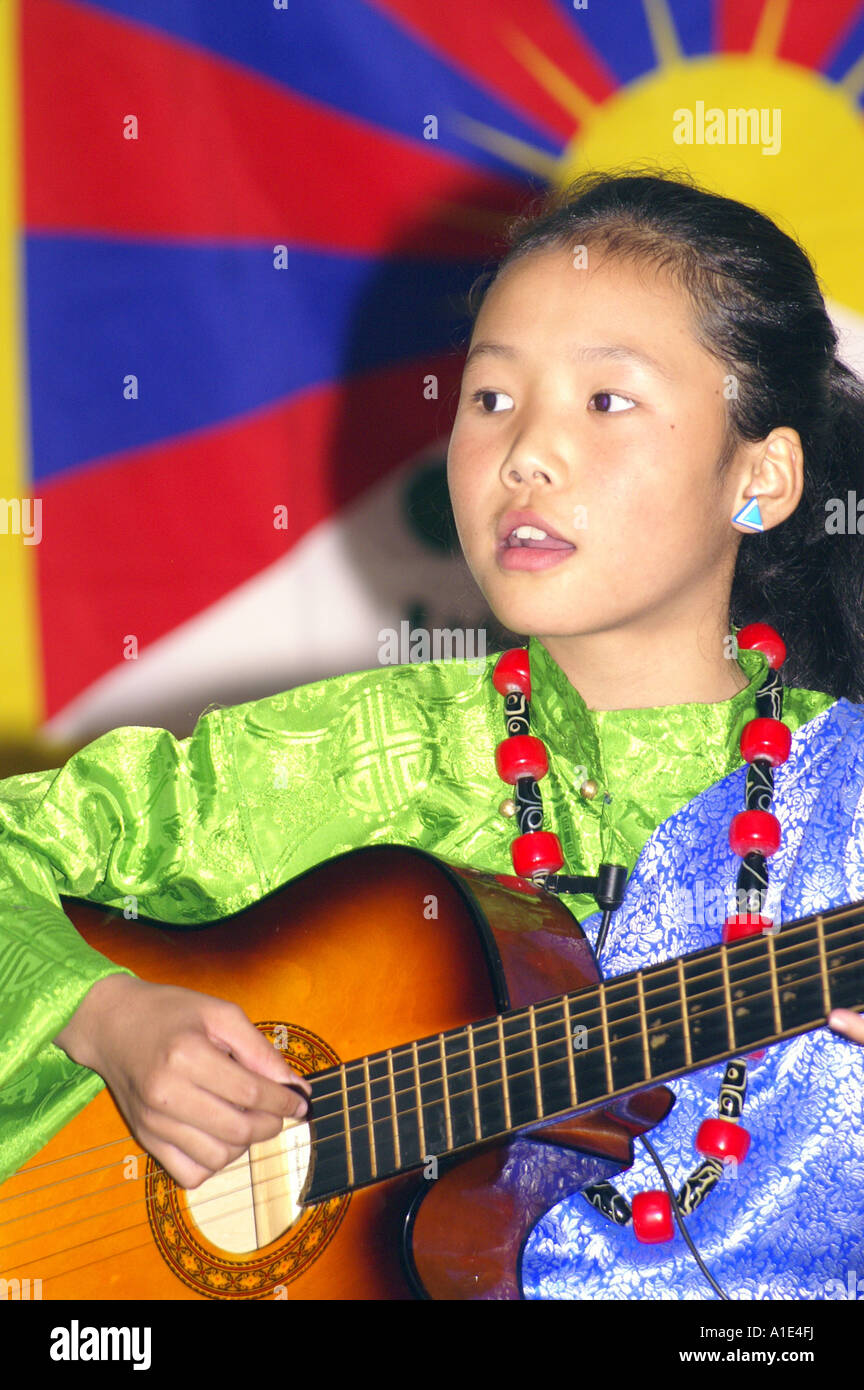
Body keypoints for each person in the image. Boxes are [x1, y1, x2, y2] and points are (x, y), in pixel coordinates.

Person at [2, 167, 864, 1300]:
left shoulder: (845, 804)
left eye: (605, 401)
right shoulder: (367, 748)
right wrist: (107, 1015)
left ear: (762, 476)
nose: (525, 454)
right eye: (491, 398)